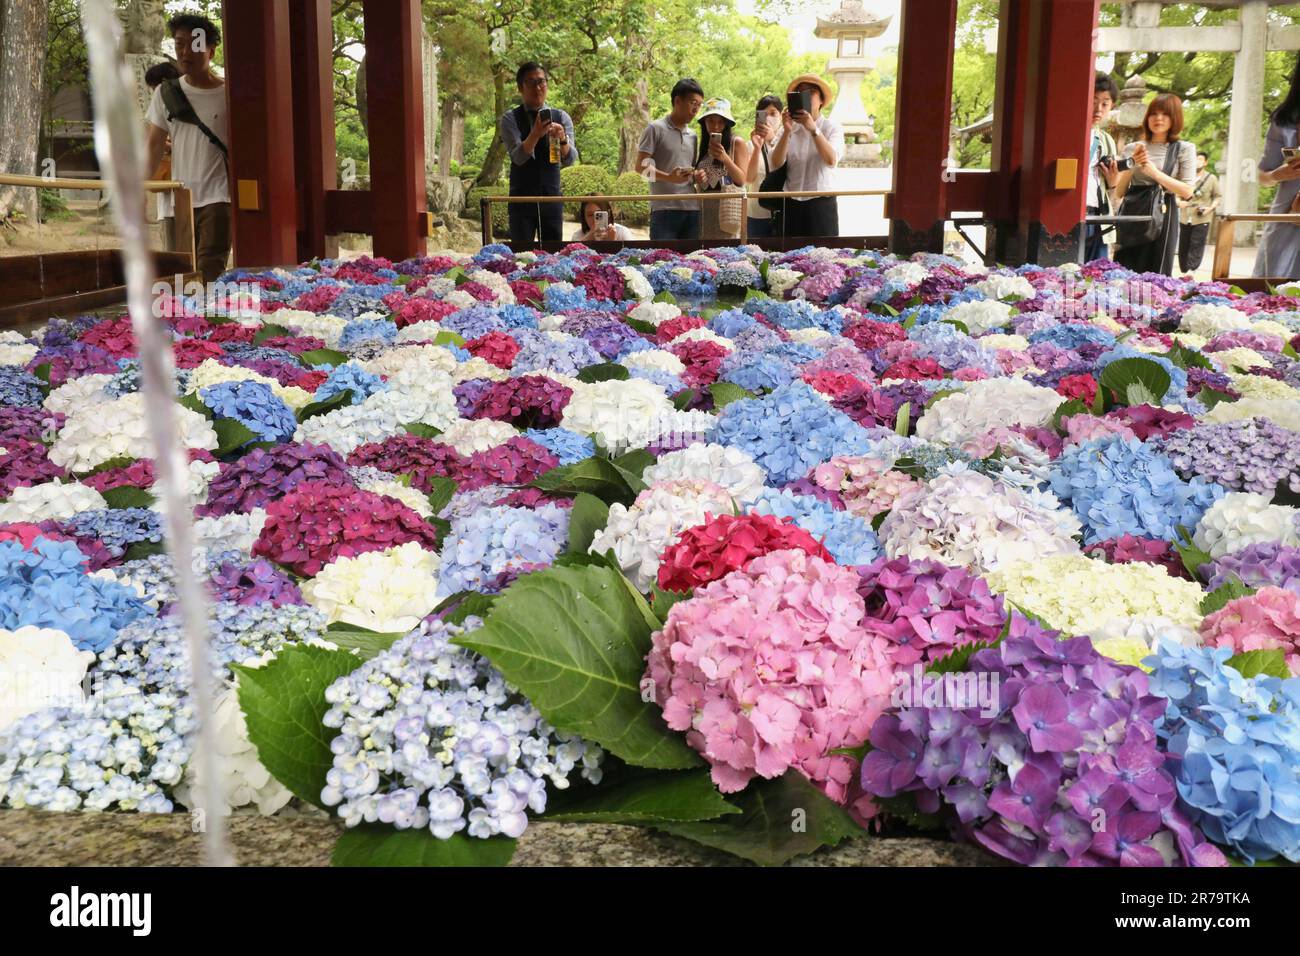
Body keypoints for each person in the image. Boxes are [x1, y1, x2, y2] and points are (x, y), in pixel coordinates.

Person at [145, 14, 229, 283]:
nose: (185, 52)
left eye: (194, 45)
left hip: (219, 197)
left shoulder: (229, 93)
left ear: (211, 50)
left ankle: (211, 323)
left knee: (209, 272)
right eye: (179, 44)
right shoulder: (165, 93)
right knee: (181, 273)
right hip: (180, 198)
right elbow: (154, 144)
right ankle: (186, 324)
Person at [1104, 93, 1195, 276]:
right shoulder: (1133, 147)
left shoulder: (1183, 149)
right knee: (1124, 272)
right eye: (1154, 113)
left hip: (1164, 215)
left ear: (1175, 117)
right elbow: (1120, 192)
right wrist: (1133, 164)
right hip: (1133, 212)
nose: (1158, 118)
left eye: (1165, 114)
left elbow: (1187, 191)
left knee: (1157, 275)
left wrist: (1154, 173)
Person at [498, 62, 577, 249]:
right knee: (520, 254)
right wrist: (535, 133)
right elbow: (517, 157)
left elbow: (571, 159)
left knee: (553, 254)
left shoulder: (562, 117)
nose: (538, 87)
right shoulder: (510, 118)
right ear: (520, 88)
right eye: (531, 83)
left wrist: (562, 139)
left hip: (552, 198)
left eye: (541, 82)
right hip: (521, 199)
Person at [769, 73, 844, 238]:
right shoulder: (788, 128)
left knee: (824, 256)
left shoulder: (831, 127)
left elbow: (831, 160)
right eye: (800, 93)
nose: (805, 97)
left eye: (810, 92)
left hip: (821, 203)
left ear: (821, 100)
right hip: (791, 202)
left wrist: (813, 129)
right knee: (790, 258)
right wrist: (787, 130)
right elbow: (775, 163)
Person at [637, 79, 704, 241]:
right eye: (693, 103)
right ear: (677, 101)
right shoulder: (655, 129)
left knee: (692, 262)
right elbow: (641, 168)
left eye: (699, 105)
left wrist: (696, 176)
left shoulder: (693, 135)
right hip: (663, 208)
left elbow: (690, 170)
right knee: (662, 260)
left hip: (692, 208)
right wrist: (669, 177)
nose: (696, 109)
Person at [1254, 55, 1300, 279]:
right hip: (1287, 217)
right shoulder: (1285, 120)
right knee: (1275, 295)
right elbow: (1263, 177)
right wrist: (1280, 174)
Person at [691, 98, 750, 241]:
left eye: (720, 121)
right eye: (710, 121)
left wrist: (725, 158)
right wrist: (696, 176)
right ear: (704, 122)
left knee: (728, 255)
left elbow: (742, 179)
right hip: (705, 211)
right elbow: (695, 176)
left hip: (729, 210)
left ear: (727, 124)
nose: (715, 126)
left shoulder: (737, 143)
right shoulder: (703, 146)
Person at [143, 61, 181, 252]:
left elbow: (151, 140)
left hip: (182, 195)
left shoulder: (166, 98)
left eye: (154, 87)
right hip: (170, 193)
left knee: (177, 254)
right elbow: (152, 140)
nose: (154, 93)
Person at [1085, 73, 1119, 263]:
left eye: (1105, 103)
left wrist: (1113, 182)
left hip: (1099, 217)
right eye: (1093, 100)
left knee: (1097, 275)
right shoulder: (1066, 134)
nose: (1098, 108)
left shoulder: (1106, 140)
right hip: (1072, 216)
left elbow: (1113, 190)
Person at [744, 95, 784, 239]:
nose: (768, 118)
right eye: (764, 114)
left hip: (781, 211)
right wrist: (756, 148)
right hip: (756, 213)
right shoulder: (750, 145)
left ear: (781, 116)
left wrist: (773, 139)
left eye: (773, 113)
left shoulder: (786, 141)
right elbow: (748, 178)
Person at [1177, 151, 1221, 274]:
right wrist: (1179, 202)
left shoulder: (1211, 178)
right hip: (1185, 216)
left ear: (1205, 162)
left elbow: (1217, 196)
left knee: (1197, 244)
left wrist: (1210, 208)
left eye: (1200, 159)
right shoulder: (1185, 178)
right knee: (1183, 245)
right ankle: (1184, 271)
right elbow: (1176, 195)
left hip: (1202, 218)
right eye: (1195, 159)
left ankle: (1191, 271)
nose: (1197, 162)